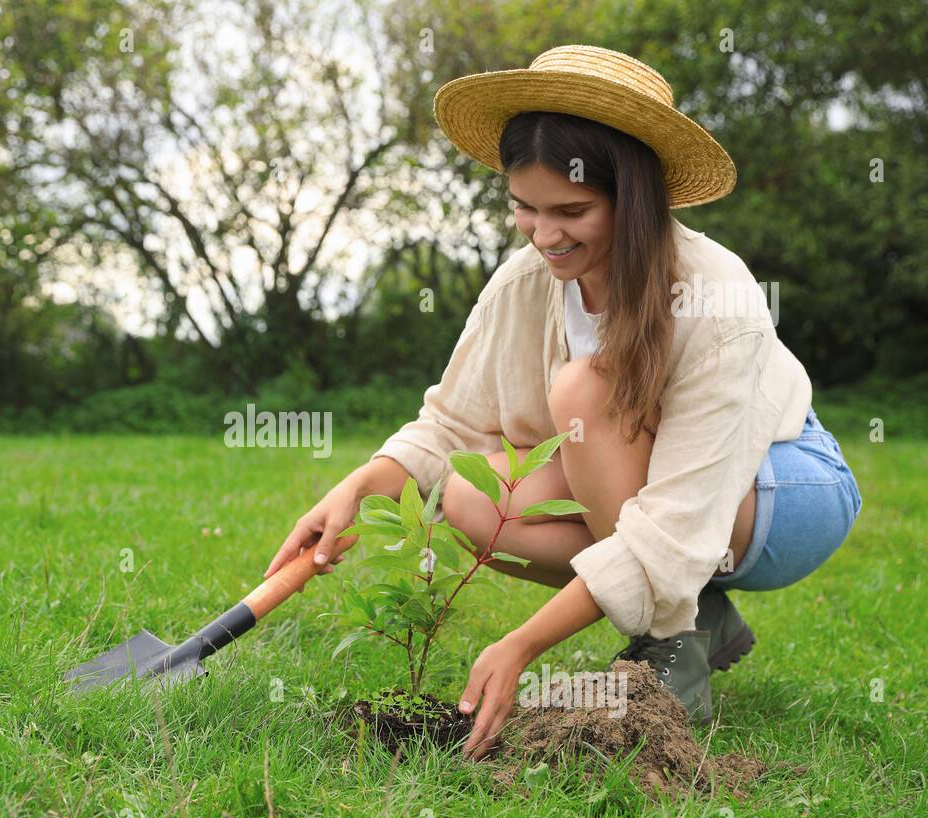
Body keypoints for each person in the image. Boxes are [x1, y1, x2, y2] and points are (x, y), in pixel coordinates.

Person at [263, 45, 862, 760]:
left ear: (634, 196)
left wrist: (522, 644)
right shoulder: (524, 283)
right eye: (524, 208)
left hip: (783, 485)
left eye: (572, 211)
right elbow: (451, 424)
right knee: (472, 497)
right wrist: (357, 487)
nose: (544, 236)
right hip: (670, 505)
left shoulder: (717, 294)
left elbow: (677, 520)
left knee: (583, 386)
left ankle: (673, 638)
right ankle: (692, 615)